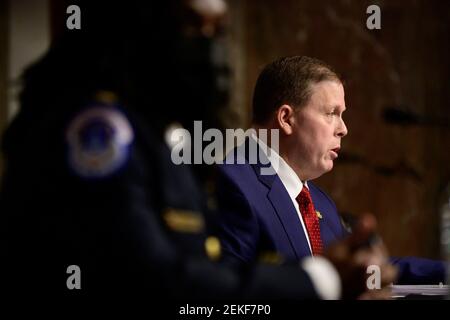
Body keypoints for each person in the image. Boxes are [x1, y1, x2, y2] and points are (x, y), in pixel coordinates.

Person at [0, 1, 395, 300]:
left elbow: (205, 267)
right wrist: (321, 280)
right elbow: (160, 284)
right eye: (192, 25)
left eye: (217, 32)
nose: (210, 51)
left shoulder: (161, 135)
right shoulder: (100, 131)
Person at [216, 55, 446, 285]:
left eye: (342, 115)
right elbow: (227, 293)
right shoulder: (234, 184)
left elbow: (356, 267)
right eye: (331, 113)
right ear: (286, 118)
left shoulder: (319, 201)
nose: (343, 129)